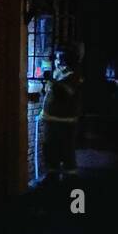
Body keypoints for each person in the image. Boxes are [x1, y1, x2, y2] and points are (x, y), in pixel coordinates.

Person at [36, 43, 82, 185]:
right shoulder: (58, 74)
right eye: (55, 58)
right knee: (50, 149)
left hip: (65, 122)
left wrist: (52, 81)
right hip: (51, 121)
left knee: (66, 150)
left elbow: (66, 92)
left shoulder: (74, 76)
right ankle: (53, 177)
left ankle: (70, 181)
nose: (56, 61)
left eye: (59, 58)